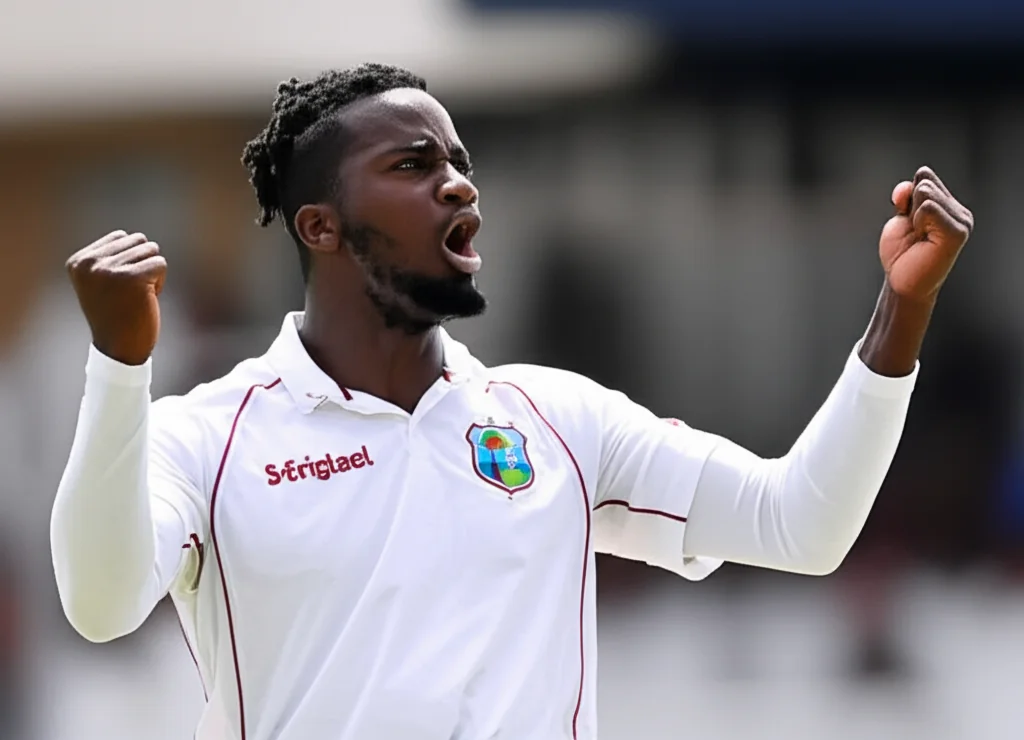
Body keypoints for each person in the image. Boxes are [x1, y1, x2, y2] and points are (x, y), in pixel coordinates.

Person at [50, 63, 974, 740]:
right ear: (320, 226)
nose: (458, 181)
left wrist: (902, 310)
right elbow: (99, 603)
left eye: (459, 160)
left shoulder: (556, 421)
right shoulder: (209, 436)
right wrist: (119, 368)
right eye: (413, 165)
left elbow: (799, 525)